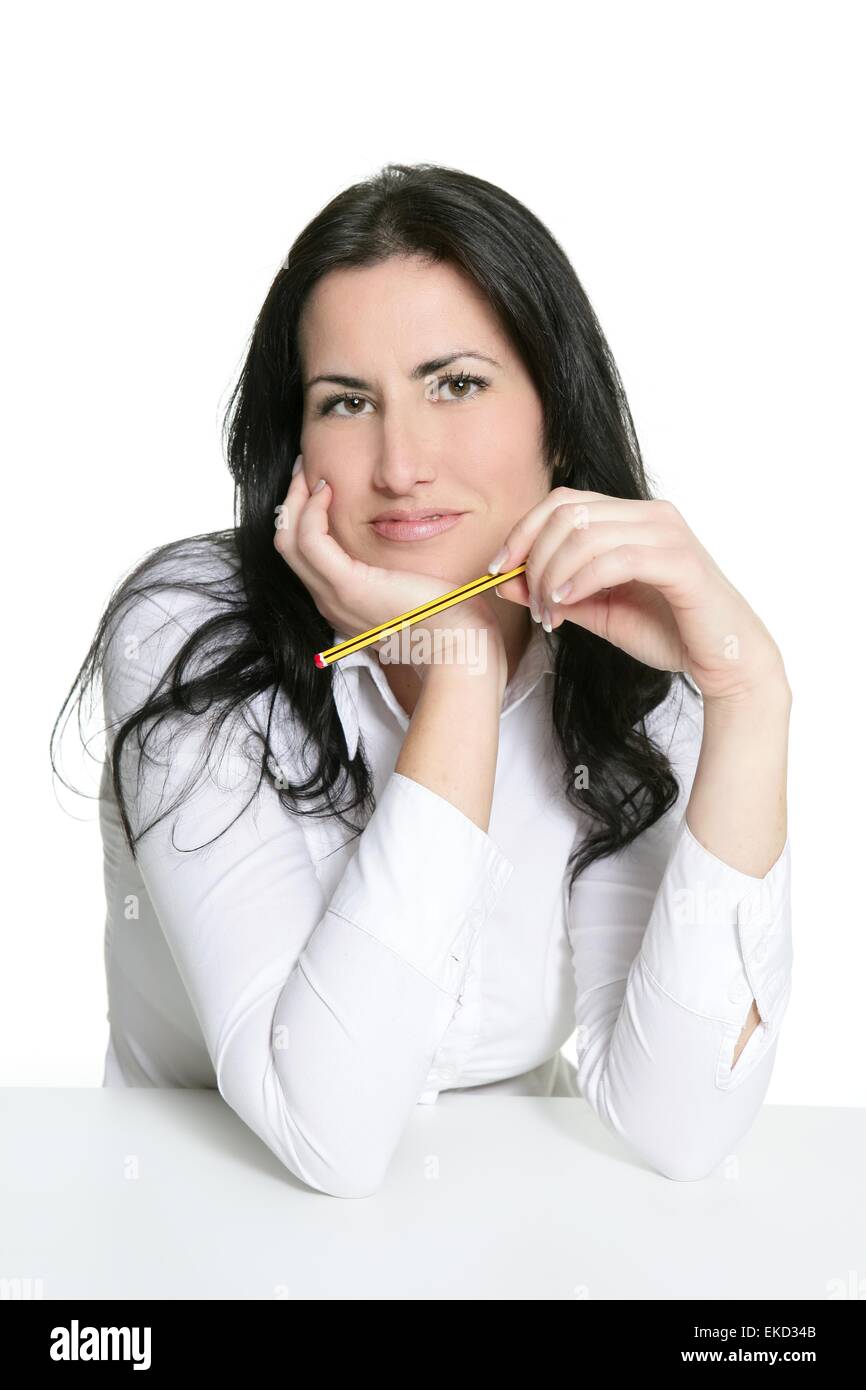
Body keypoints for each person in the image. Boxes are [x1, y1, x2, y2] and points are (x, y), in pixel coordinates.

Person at [51, 162, 793, 1198]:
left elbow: (679, 1125)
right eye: (346, 401)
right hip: (195, 1220)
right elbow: (328, 1135)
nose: (400, 463)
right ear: (293, 444)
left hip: (502, 1232)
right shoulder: (191, 628)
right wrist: (459, 676)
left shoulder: (628, 641)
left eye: (455, 384)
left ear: (558, 418)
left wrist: (747, 693)